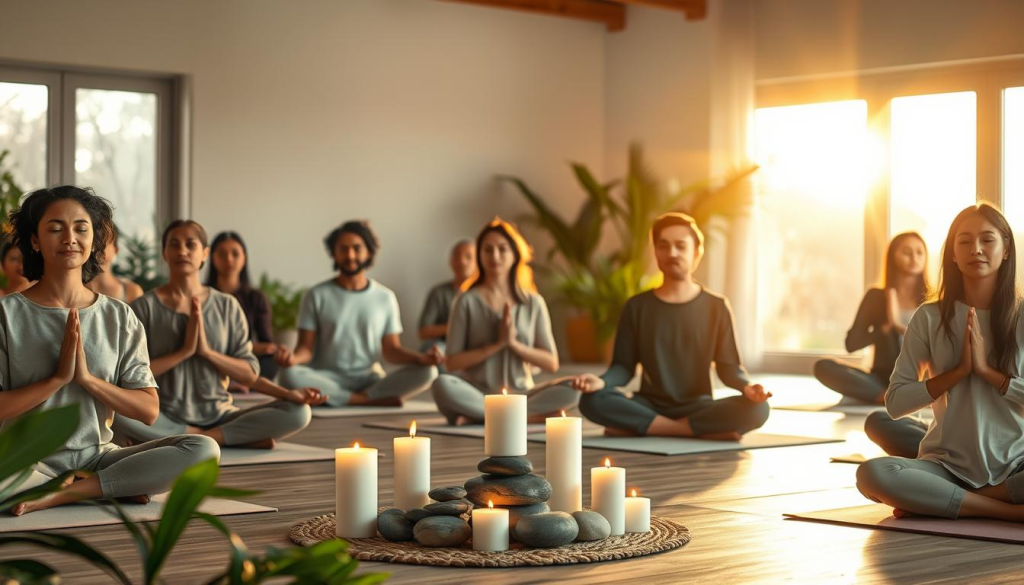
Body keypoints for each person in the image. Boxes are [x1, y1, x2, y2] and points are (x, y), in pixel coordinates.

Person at [0, 186, 219, 516]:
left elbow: (147, 409)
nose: (69, 237)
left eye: (81, 228)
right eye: (55, 228)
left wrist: (88, 380)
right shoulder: (7, 314)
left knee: (203, 448)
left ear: (94, 239)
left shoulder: (119, 316)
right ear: (35, 241)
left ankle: (65, 493)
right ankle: (112, 485)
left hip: (96, 456)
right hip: (23, 458)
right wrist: (58, 379)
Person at [856, 203, 1024, 521]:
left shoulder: (1022, 316)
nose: (976, 249)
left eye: (987, 240)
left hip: (1016, 464)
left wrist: (990, 374)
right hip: (946, 465)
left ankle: (959, 500)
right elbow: (895, 403)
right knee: (872, 474)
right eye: (964, 241)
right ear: (952, 255)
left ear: (1005, 251)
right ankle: (1006, 512)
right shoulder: (930, 317)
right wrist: (958, 372)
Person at [114, 220, 321, 450]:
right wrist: (184, 352)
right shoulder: (144, 307)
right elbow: (131, 377)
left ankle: (199, 438)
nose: (182, 251)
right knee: (112, 408)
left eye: (190, 245)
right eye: (174, 244)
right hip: (164, 417)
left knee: (299, 412)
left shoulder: (227, 306)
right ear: (164, 253)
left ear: (204, 254)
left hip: (221, 416)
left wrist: (207, 352)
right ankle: (224, 438)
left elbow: (249, 374)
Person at [568, 212, 770, 440]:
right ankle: (691, 430)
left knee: (759, 409)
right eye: (663, 246)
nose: (672, 253)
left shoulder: (717, 306)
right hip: (649, 405)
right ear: (655, 252)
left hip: (698, 406)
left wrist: (748, 388)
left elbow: (728, 367)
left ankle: (647, 427)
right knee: (592, 400)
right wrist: (601, 381)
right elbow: (623, 367)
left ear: (696, 253)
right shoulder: (636, 306)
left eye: (680, 246)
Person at [276, 220, 440, 406]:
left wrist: (422, 358)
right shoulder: (316, 295)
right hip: (326, 378)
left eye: (356, 248)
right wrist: (292, 358)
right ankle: (364, 400)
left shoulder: (385, 297)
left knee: (429, 372)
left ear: (369, 252)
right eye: (343, 249)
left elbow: (392, 350)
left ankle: (347, 399)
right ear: (334, 254)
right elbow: (305, 348)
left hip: (369, 379)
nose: (350, 255)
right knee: (288, 375)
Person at [431, 218, 574, 425]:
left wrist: (513, 344)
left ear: (515, 254)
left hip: (523, 395)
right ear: (479, 255)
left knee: (575, 387)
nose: (494, 256)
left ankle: (482, 417)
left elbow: (551, 363)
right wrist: (497, 344)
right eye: (487, 250)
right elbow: (452, 362)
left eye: (502, 249)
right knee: (442, 384)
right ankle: (525, 418)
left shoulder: (533, 302)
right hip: (478, 394)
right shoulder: (465, 300)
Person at [814, 232, 928, 407]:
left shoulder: (932, 299)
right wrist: (885, 328)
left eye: (919, 252)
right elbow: (851, 344)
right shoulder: (876, 296)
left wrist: (899, 325)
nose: (914, 257)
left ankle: (896, 396)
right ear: (893, 257)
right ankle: (886, 396)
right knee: (823, 367)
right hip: (882, 379)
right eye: (907, 252)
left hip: (920, 379)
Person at [206, 231, 279, 385]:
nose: (229, 259)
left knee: (269, 363)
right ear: (211, 257)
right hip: (210, 359)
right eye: (222, 254)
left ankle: (238, 383)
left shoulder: (256, 298)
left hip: (243, 362)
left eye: (235, 254)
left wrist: (247, 350)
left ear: (244, 258)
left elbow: (267, 345)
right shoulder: (201, 295)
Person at [418, 238, 476, 354]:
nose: (462, 262)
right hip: (445, 348)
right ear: (451, 261)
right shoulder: (438, 292)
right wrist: (457, 327)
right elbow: (423, 331)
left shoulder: (483, 293)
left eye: (468, 257)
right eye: (457, 257)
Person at [84, 223, 143, 303]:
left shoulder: (132, 291)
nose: (98, 245)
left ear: (116, 250)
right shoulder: (74, 289)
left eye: (104, 240)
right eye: (94, 239)